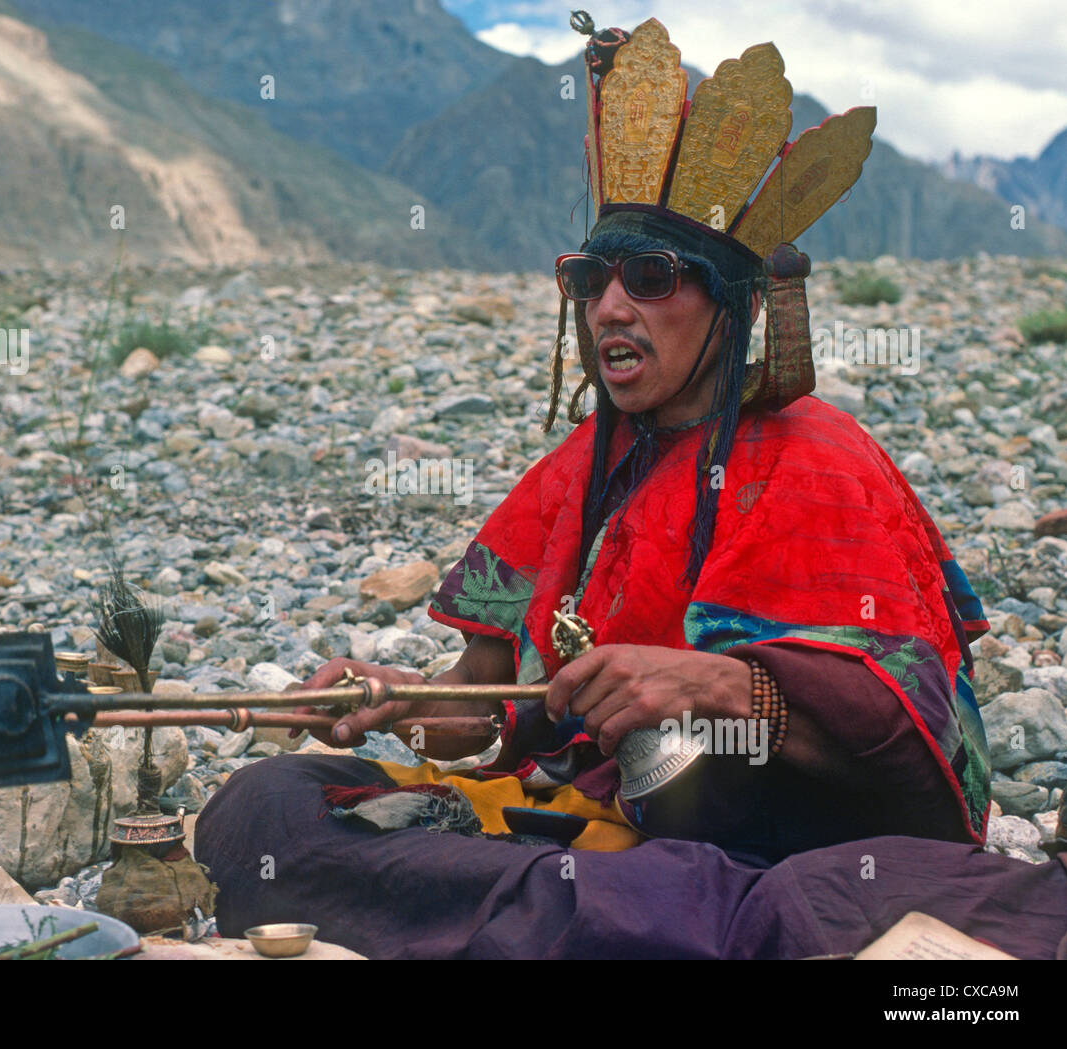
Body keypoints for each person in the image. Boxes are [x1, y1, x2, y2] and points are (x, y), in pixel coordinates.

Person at [194, 15, 1001, 956]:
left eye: (653, 277)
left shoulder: (817, 462)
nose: (611, 305)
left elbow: (916, 735)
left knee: (695, 815)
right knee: (269, 808)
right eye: (590, 278)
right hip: (595, 830)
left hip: (771, 839)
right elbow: (487, 700)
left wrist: (727, 686)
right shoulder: (580, 468)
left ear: (731, 303)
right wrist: (401, 702)